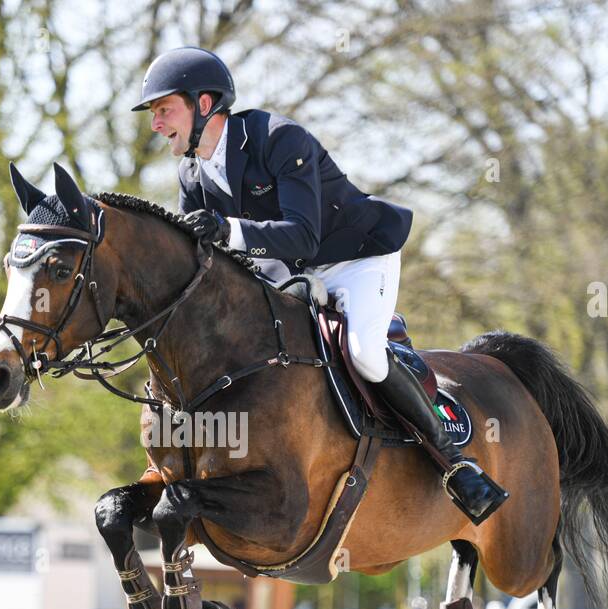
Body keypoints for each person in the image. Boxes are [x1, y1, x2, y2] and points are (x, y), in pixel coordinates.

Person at [132, 46, 508, 524]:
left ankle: (455, 464)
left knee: (365, 353)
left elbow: (304, 235)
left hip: (353, 259)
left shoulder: (277, 139)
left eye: (164, 110)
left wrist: (228, 229)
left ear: (203, 104)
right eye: (154, 113)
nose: (155, 124)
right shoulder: (191, 173)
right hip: (283, 272)